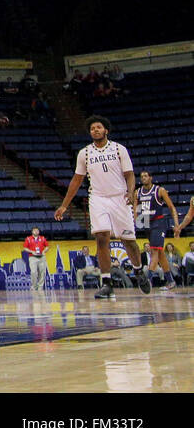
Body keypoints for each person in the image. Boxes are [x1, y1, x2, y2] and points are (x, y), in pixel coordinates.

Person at [55, 116, 151, 299]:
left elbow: (130, 175)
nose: (95, 130)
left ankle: (138, 271)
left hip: (120, 197)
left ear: (106, 130)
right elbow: (76, 180)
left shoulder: (118, 149)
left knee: (128, 241)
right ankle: (107, 283)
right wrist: (64, 205)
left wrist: (131, 192)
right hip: (98, 198)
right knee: (101, 239)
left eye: (99, 127)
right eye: (92, 128)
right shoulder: (84, 153)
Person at [136, 170, 180, 290]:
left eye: (145, 176)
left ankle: (148, 280)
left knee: (154, 251)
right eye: (141, 176)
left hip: (159, 223)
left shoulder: (159, 190)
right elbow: (136, 211)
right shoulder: (138, 192)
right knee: (160, 253)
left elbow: (171, 207)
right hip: (146, 223)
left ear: (151, 177)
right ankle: (171, 281)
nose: (143, 178)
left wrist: (176, 225)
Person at [24, 226, 50, 291]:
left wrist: (44, 251)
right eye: (34, 230)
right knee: (33, 272)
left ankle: (40, 287)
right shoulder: (28, 239)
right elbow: (25, 248)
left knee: (42, 272)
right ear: (32, 232)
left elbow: (47, 246)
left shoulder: (42, 238)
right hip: (33, 257)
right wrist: (32, 251)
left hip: (41, 257)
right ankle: (34, 286)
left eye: (37, 230)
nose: (36, 231)